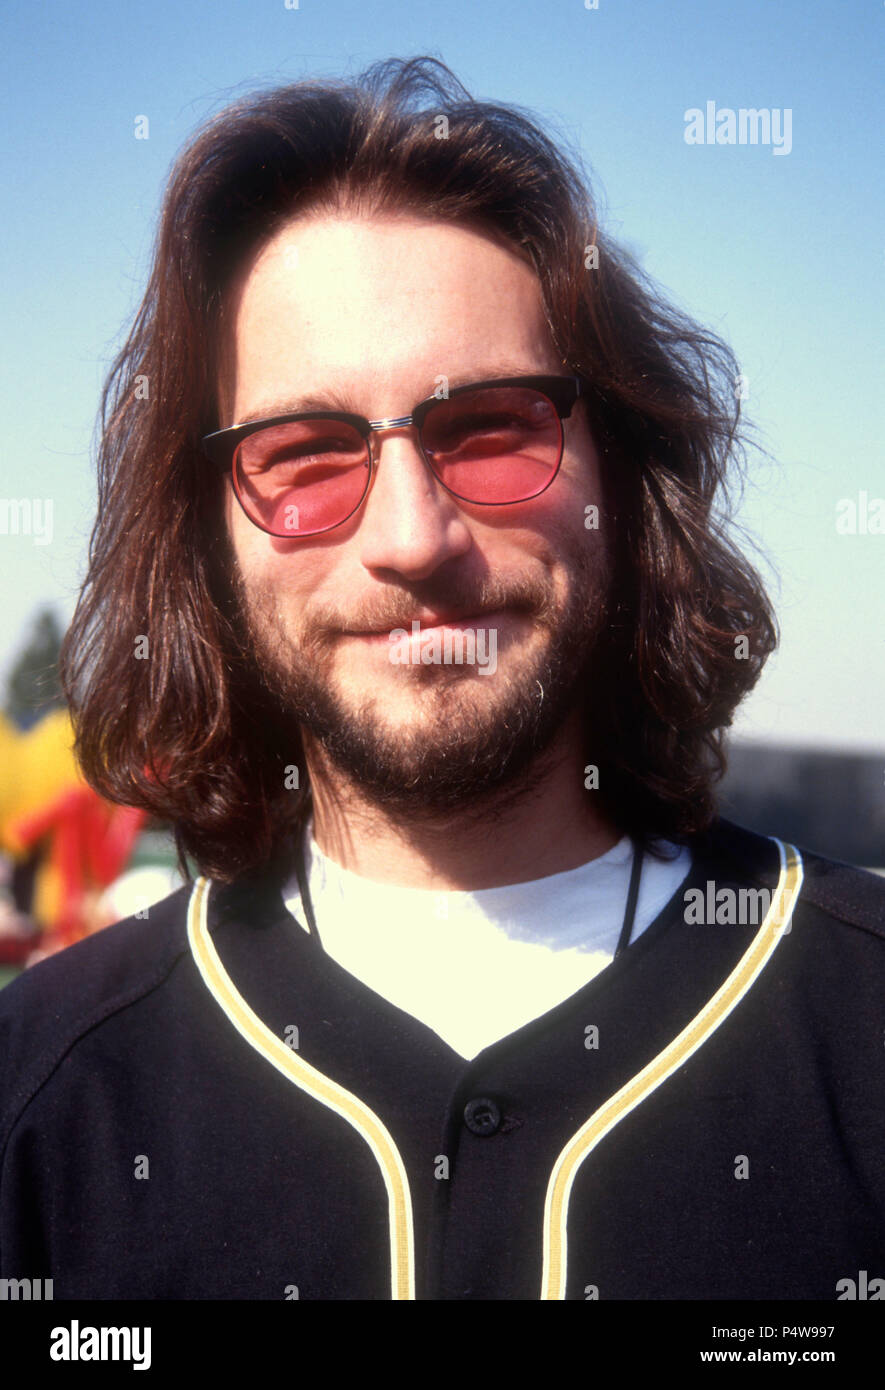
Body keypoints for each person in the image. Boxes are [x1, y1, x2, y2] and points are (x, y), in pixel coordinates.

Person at [1, 56, 883, 1303]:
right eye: (302, 453)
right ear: (207, 534)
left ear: (624, 482)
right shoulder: (42, 1092)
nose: (411, 536)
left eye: (493, 427)